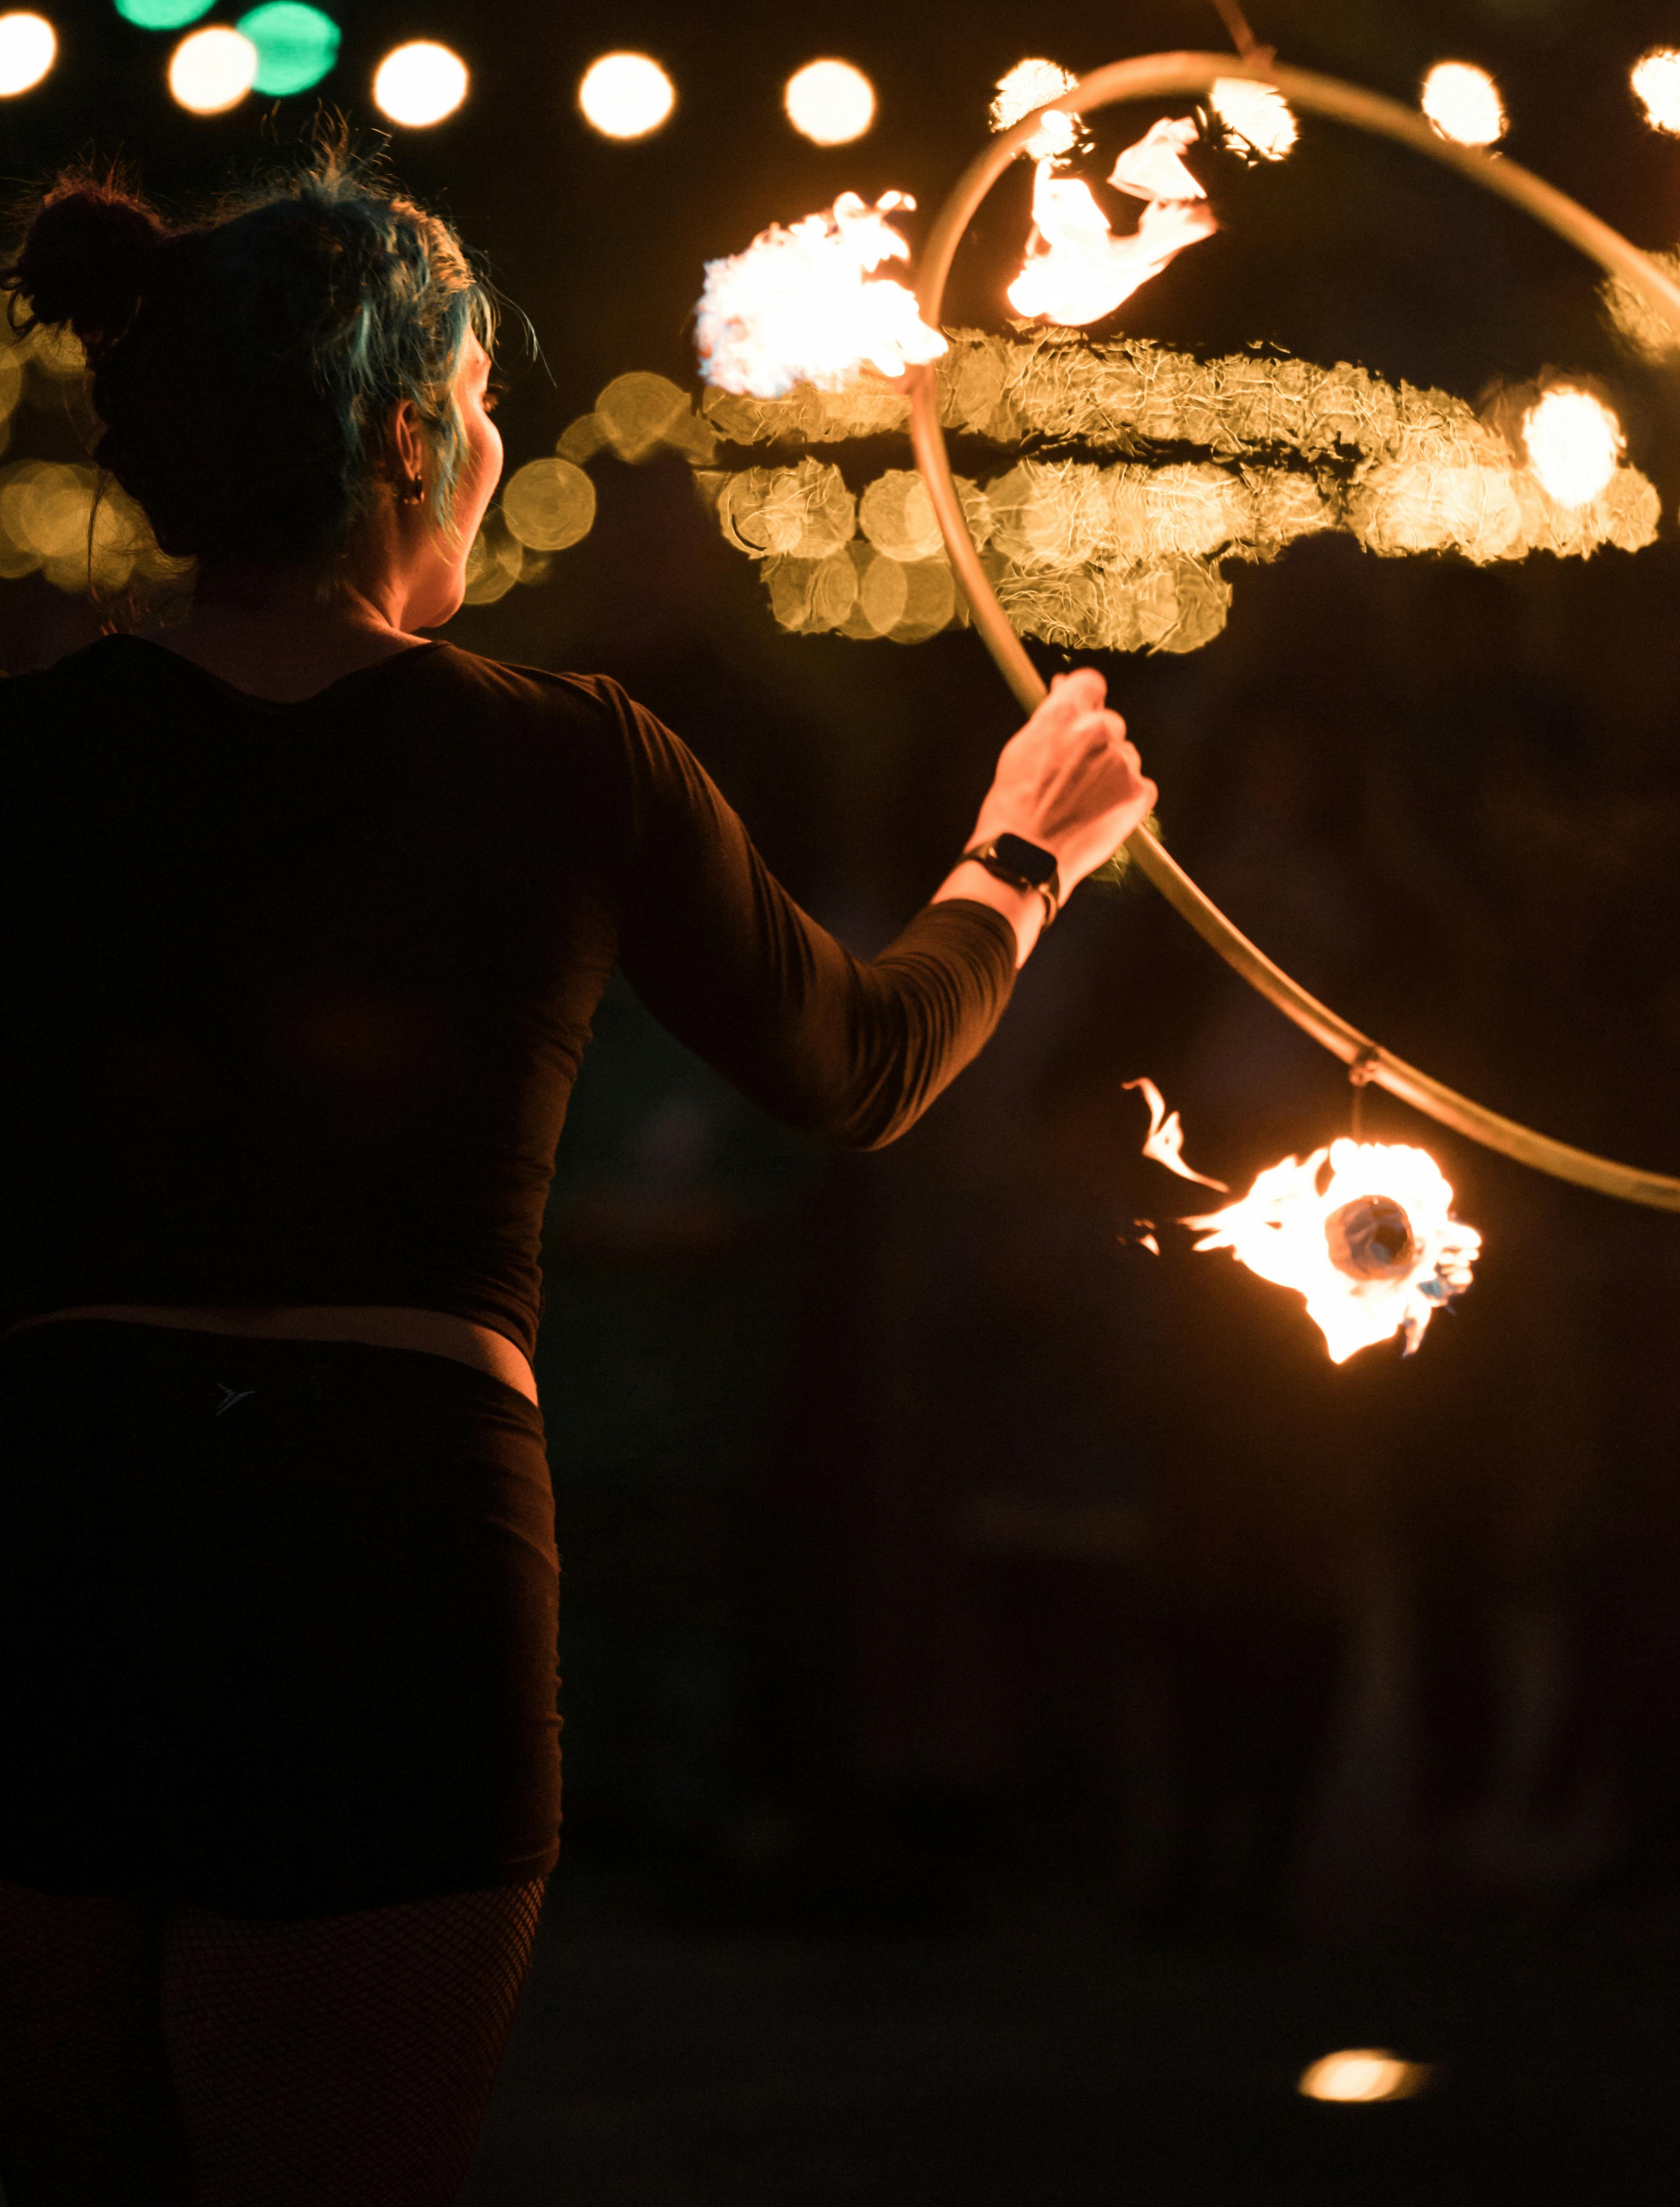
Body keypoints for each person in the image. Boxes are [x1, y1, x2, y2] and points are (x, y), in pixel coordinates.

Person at [0, 158, 1156, 2207]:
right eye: (480, 398)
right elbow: (858, 1062)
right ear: (401, 438)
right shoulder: (564, 756)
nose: (502, 446)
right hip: (389, 1538)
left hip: (60, 1518)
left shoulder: (38, 755)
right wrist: (1018, 859)